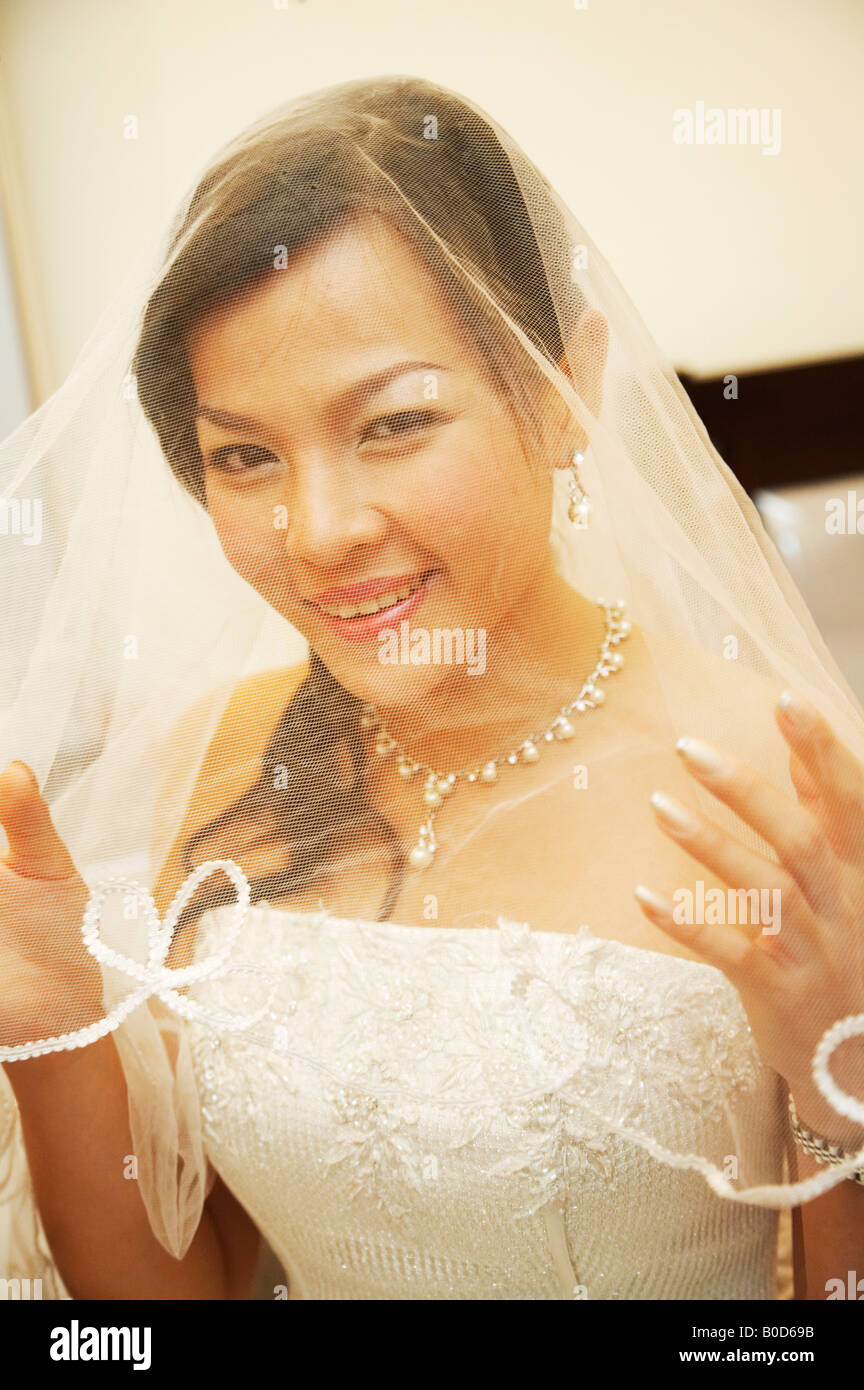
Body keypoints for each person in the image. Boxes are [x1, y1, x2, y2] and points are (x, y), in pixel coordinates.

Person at [1, 73, 862, 1301]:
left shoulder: (779, 788)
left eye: (394, 424)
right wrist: (54, 1027)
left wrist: (851, 1069)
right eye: (244, 455)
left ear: (564, 392)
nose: (318, 531)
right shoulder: (221, 768)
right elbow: (168, 1299)